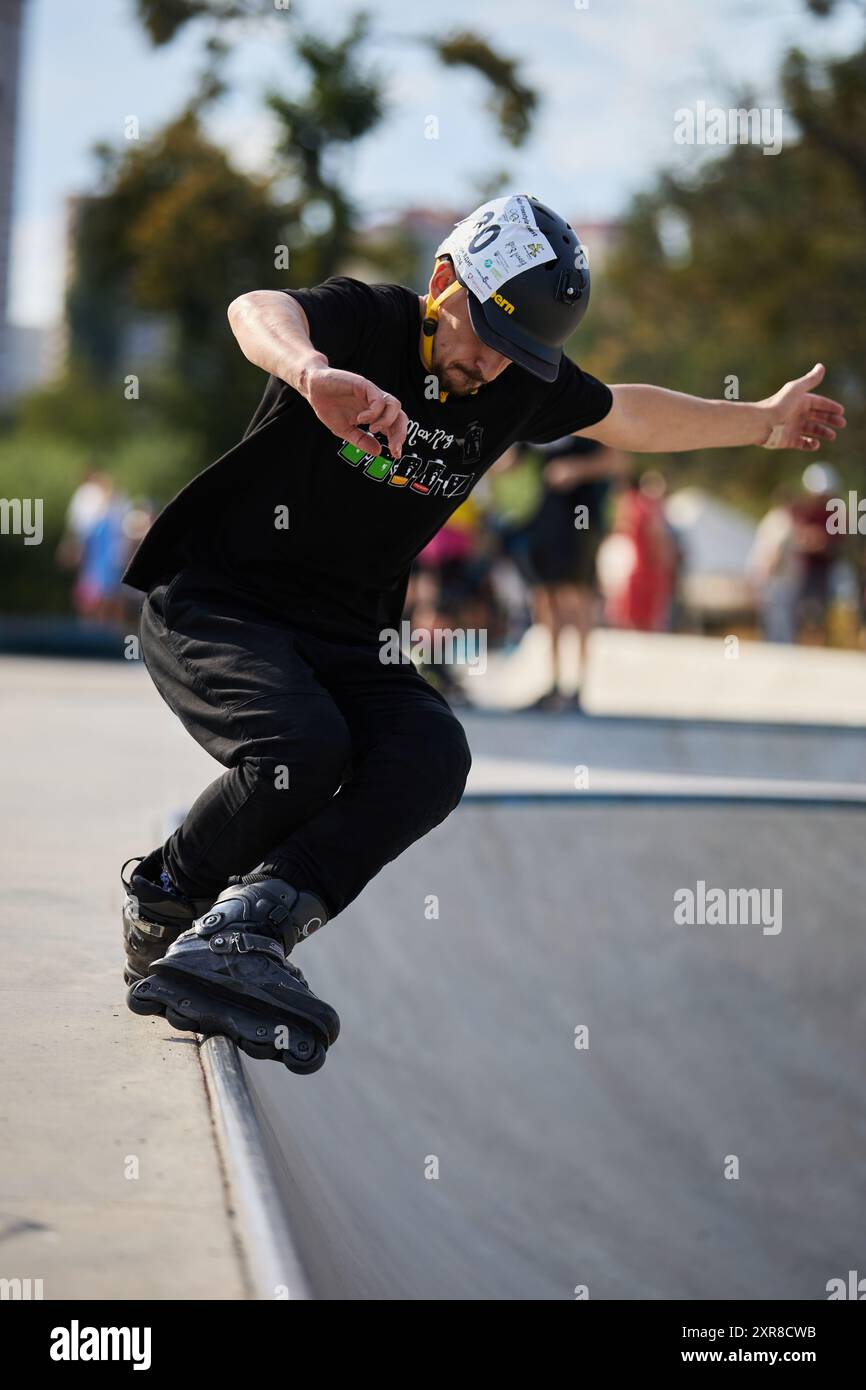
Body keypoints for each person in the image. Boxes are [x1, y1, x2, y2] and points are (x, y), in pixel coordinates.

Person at [120, 191, 846, 1075]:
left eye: (520, 357)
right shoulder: (369, 324)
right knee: (302, 747)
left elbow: (629, 411)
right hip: (220, 601)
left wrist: (760, 419)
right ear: (442, 283)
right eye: (486, 340)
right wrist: (312, 373)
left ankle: (254, 924)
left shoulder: (521, 382)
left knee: (430, 753)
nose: (494, 370)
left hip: (348, 631)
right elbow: (255, 311)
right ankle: (166, 898)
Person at [521, 434, 625, 709]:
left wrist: (576, 469)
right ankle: (553, 683)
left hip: (582, 520)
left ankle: (578, 687)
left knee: (577, 597)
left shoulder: (588, 408)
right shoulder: (539, 411)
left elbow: (617, 461)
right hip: (544, 517)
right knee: (546, 598)